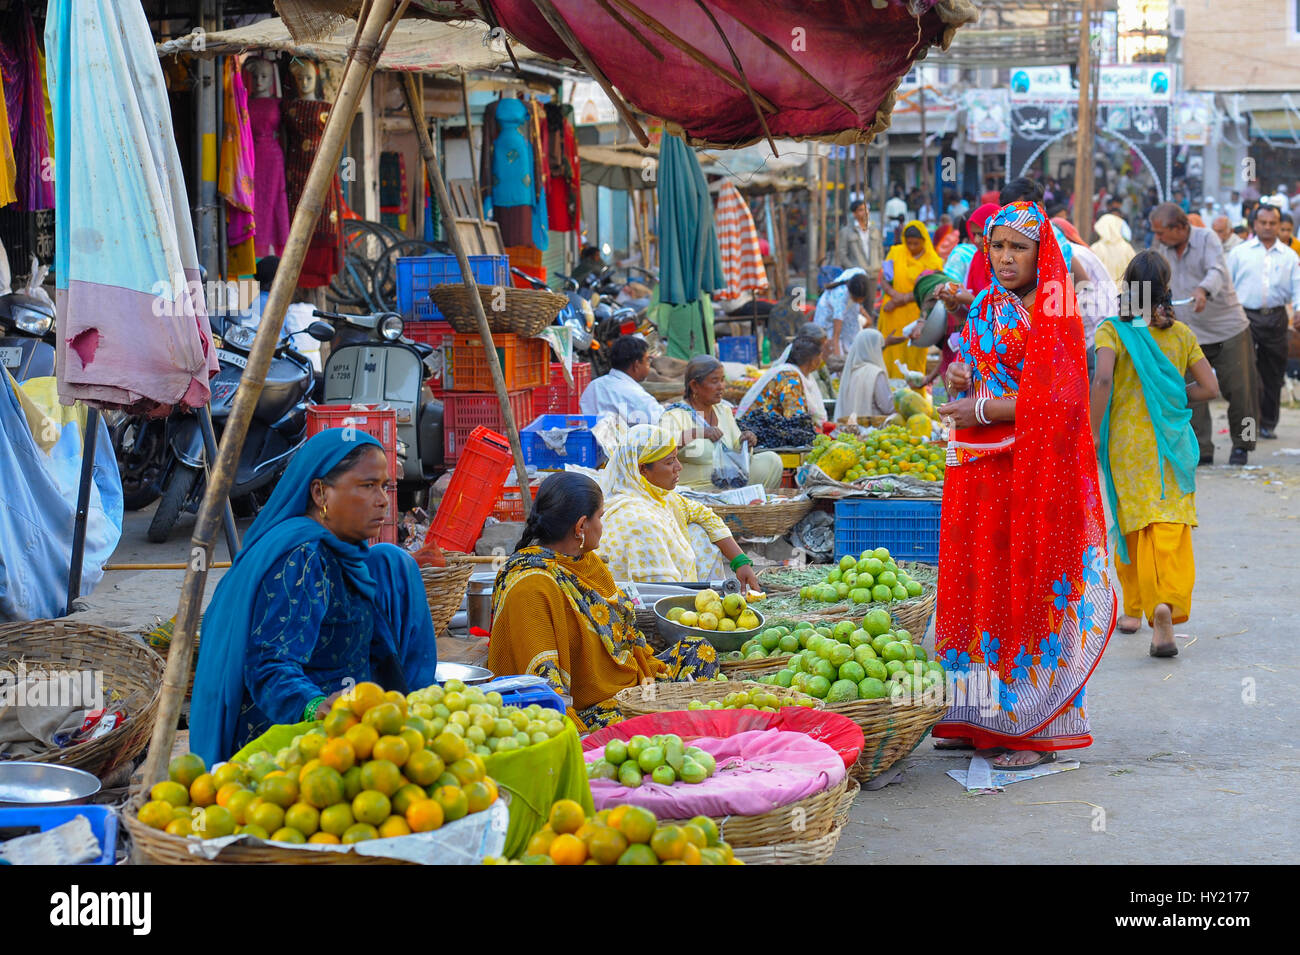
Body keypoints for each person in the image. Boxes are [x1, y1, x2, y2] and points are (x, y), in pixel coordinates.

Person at [934, 200, 1116, 769]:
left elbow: (1060, 400)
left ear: (1042, 253)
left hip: (1037, 473)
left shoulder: (1055, 308)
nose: (1006, 257)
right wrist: (960, 374)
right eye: (998, 246)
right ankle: (975, 714)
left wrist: (982, 408)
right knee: (980, 582)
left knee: (1031, 586)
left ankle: (1034, 727)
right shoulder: (987, 302)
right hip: (982, 471)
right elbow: (966, 367)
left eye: (1019, 247)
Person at [190, 430, 437, 765]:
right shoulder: (303, 558)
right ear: (320, 491)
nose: (383, 500)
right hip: (293, 744)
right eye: (367, 486)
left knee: (392, 561)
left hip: (350, 730)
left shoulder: (347, 552)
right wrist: (315, 706)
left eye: (385, 487)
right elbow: (268, 663)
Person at [489, 472, 719, 730]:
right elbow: (543, 687)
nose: (602, 525)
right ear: (580, 527)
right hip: (589, 708)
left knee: (698, 651)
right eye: (600, 517)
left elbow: (627, 638)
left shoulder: (588, 562)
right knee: (640, 721)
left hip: (628, 686)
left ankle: (663, 712)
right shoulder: (530, 587)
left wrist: (645, 677)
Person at [1090, 251, 1219, 657]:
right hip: (1171, 444)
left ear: (1127, 287)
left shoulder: (1112, 330)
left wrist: (1093, 435)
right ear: (1164, 287)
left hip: (1126, 444)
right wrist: (1172, 396)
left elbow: (1104, 379)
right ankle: (1164, 605)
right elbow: (1210, 388)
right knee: (1169, 524)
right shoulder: (1181, 334)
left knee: (1132, 522)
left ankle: (1133, 609)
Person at [1149, 202, 1259, 465]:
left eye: (1162, 232)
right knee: (1190, 391)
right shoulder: (1161, 247)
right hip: (1189, 334)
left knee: (1240, 391)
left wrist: (1203, 291)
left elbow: (1217, 270)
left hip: (1228, 329)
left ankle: (1243, 446)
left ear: (1180, 227)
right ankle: (1201, 450)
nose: (1158, 237)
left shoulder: (1207, 238)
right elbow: (1150, 278)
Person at [597, 424, 761, 589]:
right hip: (652, 603)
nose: (679, 467)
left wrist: (740, 561)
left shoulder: (660, 497)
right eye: (669, 462)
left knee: (698, 531)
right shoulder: (640, 522)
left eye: (676, 458)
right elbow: (659, 590)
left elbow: (705, 514)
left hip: (668, 593)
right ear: (642, 469)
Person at [1227, 203, 1300, 441]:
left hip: (1277, 318)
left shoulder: (1290, 256)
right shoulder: (1240, 253)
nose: (1268, 227)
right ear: (1254, 224)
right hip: (1244, 317)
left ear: (1279, 226)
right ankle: (1250, 425)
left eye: (1273, 223)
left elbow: (1298, 287)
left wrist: (1298, 310)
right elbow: (1227, 285)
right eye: (1263, 223)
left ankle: (1268, 423)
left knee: (1274, 372)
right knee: (1248, 373)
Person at [660, 356, 782, 490]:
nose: (721, 386)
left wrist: (745, 442)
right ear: (695, 386)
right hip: (696, 488)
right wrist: (698, 433)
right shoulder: (674, 415)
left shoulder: (724, 411)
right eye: (714, 381)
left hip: (729, 480)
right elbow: (661, 448)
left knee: (771, 460)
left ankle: (749, 506)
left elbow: (736, 451)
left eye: (722, 380)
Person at [880, 221, 943, 375]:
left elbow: (931, 289)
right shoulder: (895, 252)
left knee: (914, 357)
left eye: (916, 243)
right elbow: (884, 277)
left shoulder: (933, 261)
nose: (912, 247)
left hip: (916, 316)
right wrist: (894, 296)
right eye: (909, 243)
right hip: (892, 313)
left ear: (924, 241)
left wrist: (902, 299)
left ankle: (914, 393)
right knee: (890, 353)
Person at [735, 337, 829, 427]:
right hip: (755, 431)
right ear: (813, 360)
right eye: (820, 356)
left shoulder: (794, 374)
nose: (821, 360)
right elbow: (796, 417)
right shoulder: (789, 377)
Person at [578, 334, 663, 426]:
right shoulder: (638, 396)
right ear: (636, 364)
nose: (648, 365)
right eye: (647, 360)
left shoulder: (593, 386)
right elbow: (664, 421)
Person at [812, 267, 871, 359]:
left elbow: (858, 325)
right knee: (831, 345)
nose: (859, 302)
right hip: (827, 317)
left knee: (851, 338)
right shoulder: (840, 298)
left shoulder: (861, 277)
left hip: (847, 307)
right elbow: (836, 336)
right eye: (856, 300)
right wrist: (838, 361)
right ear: (851, 294)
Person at [836, 328, 893, 420]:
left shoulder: (851, 372)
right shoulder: (876, 373)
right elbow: (888, 407)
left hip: (850, 428)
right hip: (873, 429)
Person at [835, 199, 876, 278]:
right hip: (855, 276)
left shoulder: (874, 230)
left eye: (866, 209)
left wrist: (877, 265)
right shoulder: (846, 232)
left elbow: (879, 251)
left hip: (873, 274)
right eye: (861, 210)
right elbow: (842, 254)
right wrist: (853, 269)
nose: (865, 212)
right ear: (854, 213)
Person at [1091, 213, 1137, 283]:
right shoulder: (1127, 248)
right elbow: (1135, 270)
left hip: (1102, 291)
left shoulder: (1096, 247)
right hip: (1124, 290)